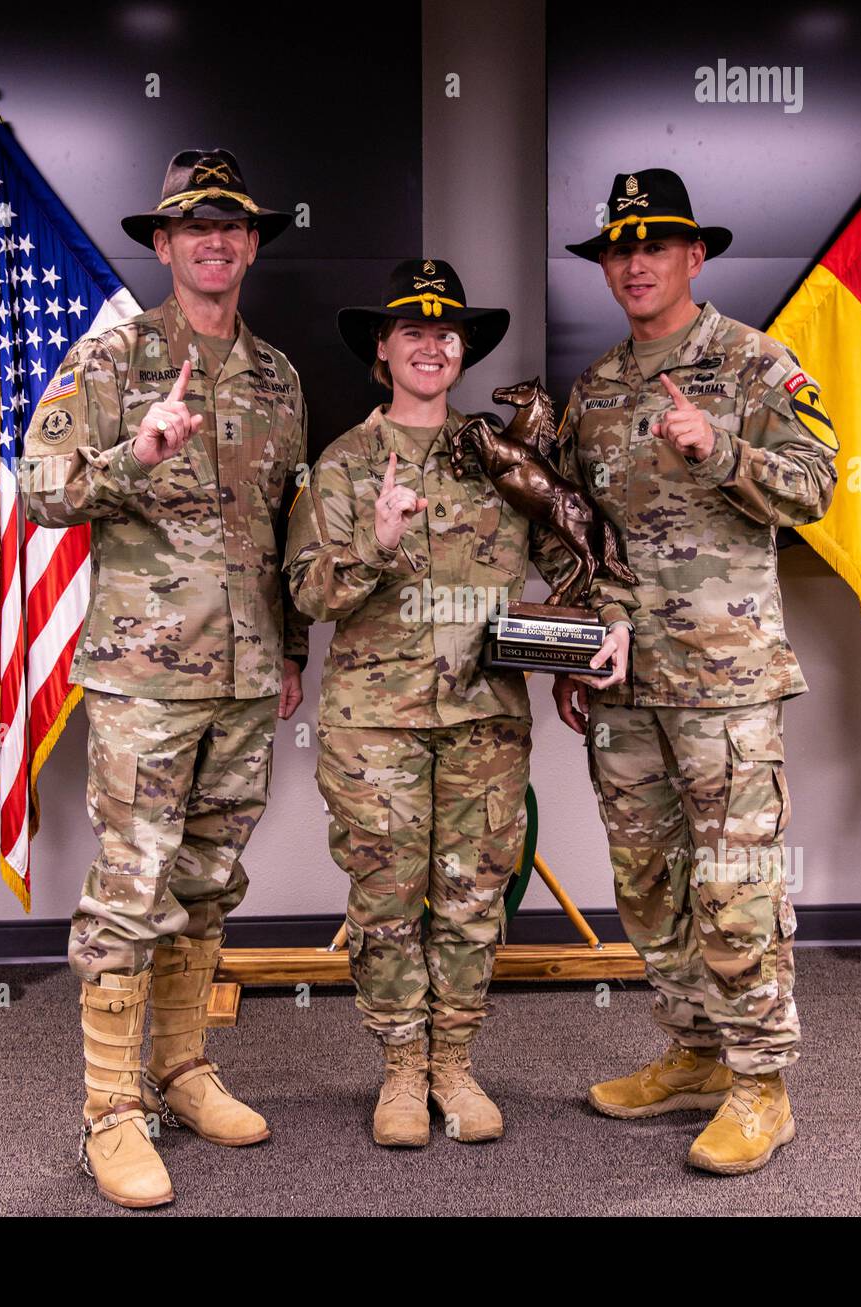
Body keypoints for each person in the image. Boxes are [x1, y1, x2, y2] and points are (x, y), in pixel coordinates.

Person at [285, 259, 634, 1147]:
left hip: (484, 719)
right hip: (377, 728)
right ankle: (402, 1067)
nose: (432, 345)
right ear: (383, 350)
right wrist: (377, 539)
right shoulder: (345, 463)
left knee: (476, 896)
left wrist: (603, 628)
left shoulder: (499, 458)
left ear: (463, 350)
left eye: (448, 333)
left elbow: (573, 556)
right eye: (414, 331)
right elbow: (309, 592)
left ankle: (456, 1063)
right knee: (386, 900)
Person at [19, 149, 309, 1208]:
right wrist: (132, 454)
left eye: (233, 226)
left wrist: (289, 650)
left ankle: (183, 1068)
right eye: (195, 226)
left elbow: (286, 527)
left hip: (242, 675)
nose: (216, 241)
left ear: (251, 243)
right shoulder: (114, 361)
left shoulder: (278, 376)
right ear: (163, 242)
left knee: (205, 881)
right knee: (129, 892)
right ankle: (110, 1108)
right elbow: (39, 489)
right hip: (144, 674)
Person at [552, 169, 838, 1174]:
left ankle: (762, 1083)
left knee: (735, 883)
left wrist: (718, 445)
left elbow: (815, 487)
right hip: (626, 687)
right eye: (618, 249)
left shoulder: (755, 363)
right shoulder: (591, 393)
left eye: (654, 245)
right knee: (646, 882)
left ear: (692, 257)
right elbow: (578, 538)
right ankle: (696, 1048)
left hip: (725, 683)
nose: (634, 263)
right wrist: (581, 636)